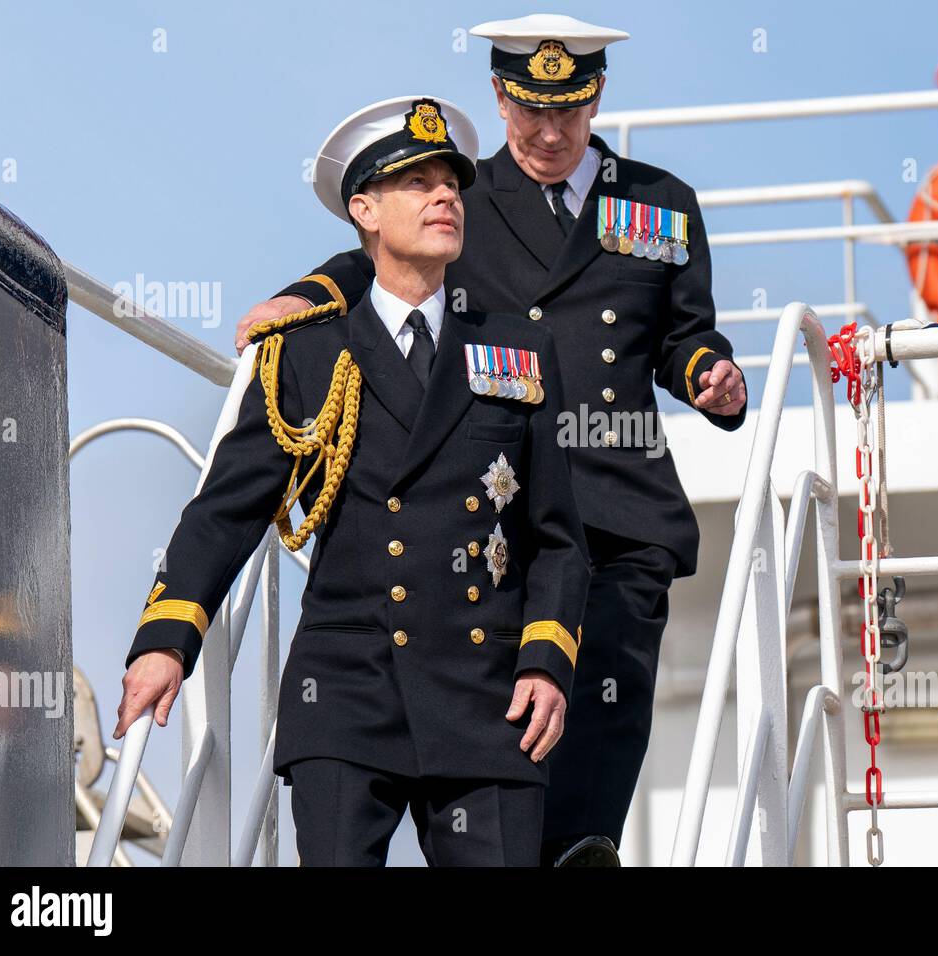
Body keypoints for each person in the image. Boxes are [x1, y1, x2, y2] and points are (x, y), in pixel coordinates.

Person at [233, 14, 749, 868]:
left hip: (617, 505)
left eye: (570, 114)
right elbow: (368, 259)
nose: (549, 134)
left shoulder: (659, 204)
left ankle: (580, 849)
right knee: (500, 713)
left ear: (597, 100)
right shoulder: (458, 195)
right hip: (506, 512)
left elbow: (682, 335)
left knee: (597, 710)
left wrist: (709, 374)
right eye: (530, 113)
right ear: (503, 99)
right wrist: (303, 295)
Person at [114, 95, 589, 866]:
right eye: (417, 183)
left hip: (487, 696)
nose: (444, 196)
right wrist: (168, 637)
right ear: (363, 209)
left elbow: (559, 537)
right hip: (346, 693)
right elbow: (230, 508)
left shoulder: (516, 351)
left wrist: (547, 659)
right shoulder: (307, 353)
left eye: (451, 183)